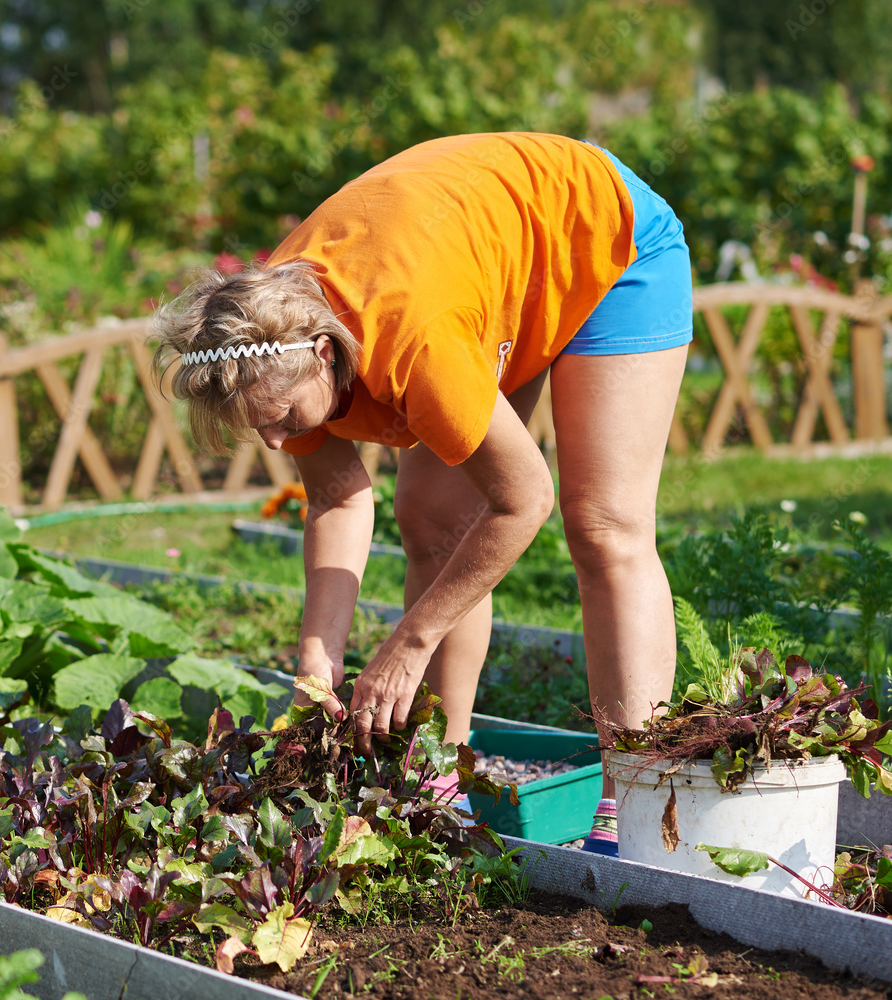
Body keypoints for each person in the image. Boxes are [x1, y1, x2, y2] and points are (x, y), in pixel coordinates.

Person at [154, 132, 692, 856]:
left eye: (283, 419)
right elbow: (339, 500)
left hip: (605, 241)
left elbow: (522, 499)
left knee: (602, 526)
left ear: (324, 354)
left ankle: (635, 802)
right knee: (434, 525)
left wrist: (408, 642)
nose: (279, 444)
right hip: (491, 266)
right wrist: (319, 661)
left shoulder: (411, 343)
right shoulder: (266, 328)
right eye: (261, 430)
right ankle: (439, 775)